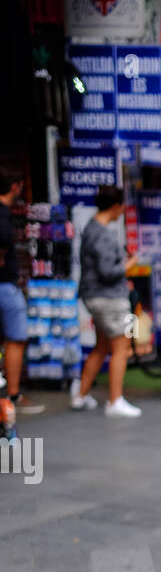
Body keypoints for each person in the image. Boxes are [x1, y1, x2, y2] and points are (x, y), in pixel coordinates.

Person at [72, 185, 140, 417]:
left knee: (102, 346)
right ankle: (115, 400)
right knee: (122, 347)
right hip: (109, 297)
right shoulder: (100, 233)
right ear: (115, 206)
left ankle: (81, 395)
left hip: (94, 296)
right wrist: (128, 265)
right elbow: (108, 271)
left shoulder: (91, 228)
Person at [0, 170, 36, 440]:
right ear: (14, 186)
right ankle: (12, 394)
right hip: (5, 287)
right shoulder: (2, 215)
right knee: (16, 338)